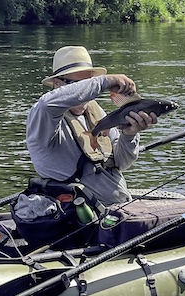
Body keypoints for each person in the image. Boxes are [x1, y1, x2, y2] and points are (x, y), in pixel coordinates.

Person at [25, 45, 158, 206]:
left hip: (117, 211)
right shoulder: (44, 115)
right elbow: (48, 103)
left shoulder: (96, 113)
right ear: (57, 84)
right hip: (79, 221)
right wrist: (105, 81)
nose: (87, 91)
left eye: (88, 82)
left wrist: (129, 135)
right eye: (78, 84)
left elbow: (122, 163)